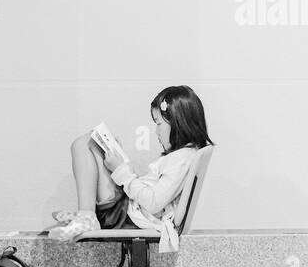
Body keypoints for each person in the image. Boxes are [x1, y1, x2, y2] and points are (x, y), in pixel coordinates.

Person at [49, 85, 214, 253]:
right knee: (95, 142)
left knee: (84, 144)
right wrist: (122, 168)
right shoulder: (182, 156)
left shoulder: (181, 159)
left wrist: (121, 171)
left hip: (125, 217)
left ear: (178, 123)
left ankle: (87, 215)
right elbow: (152, 194)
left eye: (158, 124)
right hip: (127, 212)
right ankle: (86, 214)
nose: (156, 131)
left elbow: (153, 203)